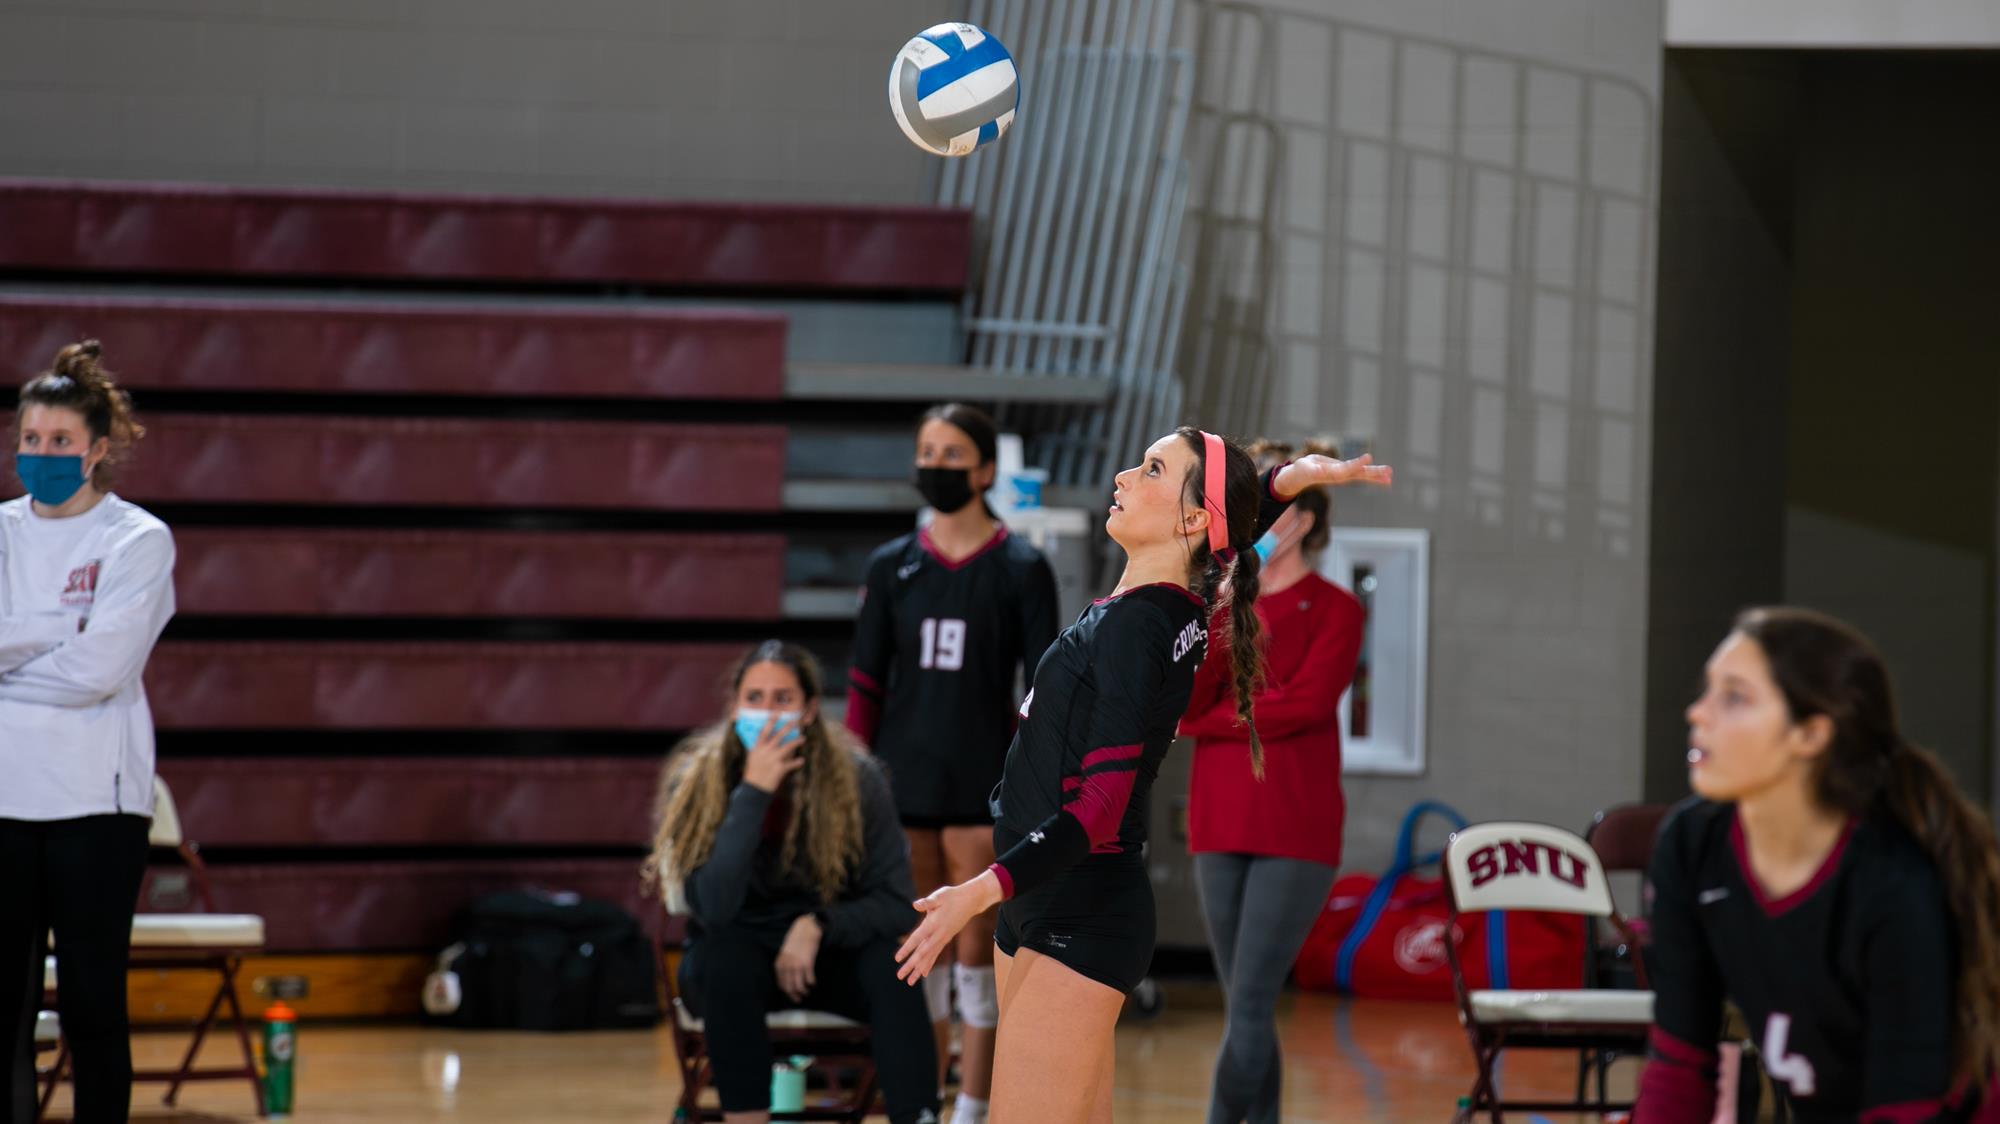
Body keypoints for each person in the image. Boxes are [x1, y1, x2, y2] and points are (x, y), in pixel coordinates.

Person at [892, 427, 1391, 1124]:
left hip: (1078, 909)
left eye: (1153, 469)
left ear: (1190, 520)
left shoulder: (1138, 629)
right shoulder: (1181, 598)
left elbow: (1099, 808)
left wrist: (976, 891)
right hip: (1042, 897)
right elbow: (1231, 537)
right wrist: (1291, 478)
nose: (1124, 476)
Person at [1635, 608, 2000, 1123]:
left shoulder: (1894, 879)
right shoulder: (1690, 845)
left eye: (1734, 697)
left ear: (1810, 734)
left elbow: (1905, 1109)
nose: (1697, 712)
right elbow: (1680, 1066)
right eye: (1707, 690)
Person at [844, 403, 1059, 1123]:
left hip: (982, 784)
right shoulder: (891, 565)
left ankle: (974, 1106)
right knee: (920, 956)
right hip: (902, 782)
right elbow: (864, 683)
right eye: (926, 452)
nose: (934, 466)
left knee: (975, 956)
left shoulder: (1022, 566)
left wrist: (1036, 786)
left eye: (952, 454)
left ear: (985, 470)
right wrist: (857, 783)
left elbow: (1044, 688)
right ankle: (923, 1105)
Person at [647, 640, 939, 1124]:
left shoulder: (858, 779)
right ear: (734, 707)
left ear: (808, 710)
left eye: (782, 699)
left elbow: (894, 901)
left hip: (826, 951)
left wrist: (818, 924)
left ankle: (919, 1117)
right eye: (754, 698)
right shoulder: (698, 779)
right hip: (732, 949)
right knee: (725, 963)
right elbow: (713, 906)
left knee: (895, 970)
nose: (767, 713)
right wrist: (754, 791)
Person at [0, 340, 177, 1124]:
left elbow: (100, 670)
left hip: (96, 808)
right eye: (31, 439)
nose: (42, 454)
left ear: (97, 449)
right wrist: (56, 632)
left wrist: (13, 657)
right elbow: (71, 657)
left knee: (92, 1002)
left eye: (60, 440)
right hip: (4, 802)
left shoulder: (136, 539)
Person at [1178, 438, 1365, 1124]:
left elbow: (1306, 705)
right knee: (1244, 1005)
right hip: (1217, 817)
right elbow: (1188, 703)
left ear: (1304, 521)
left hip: (1295, 824)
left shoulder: (1337, 609)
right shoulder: (1222, 607)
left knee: (1252, 1002)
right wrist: (1221, 601)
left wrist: (1210, 723)